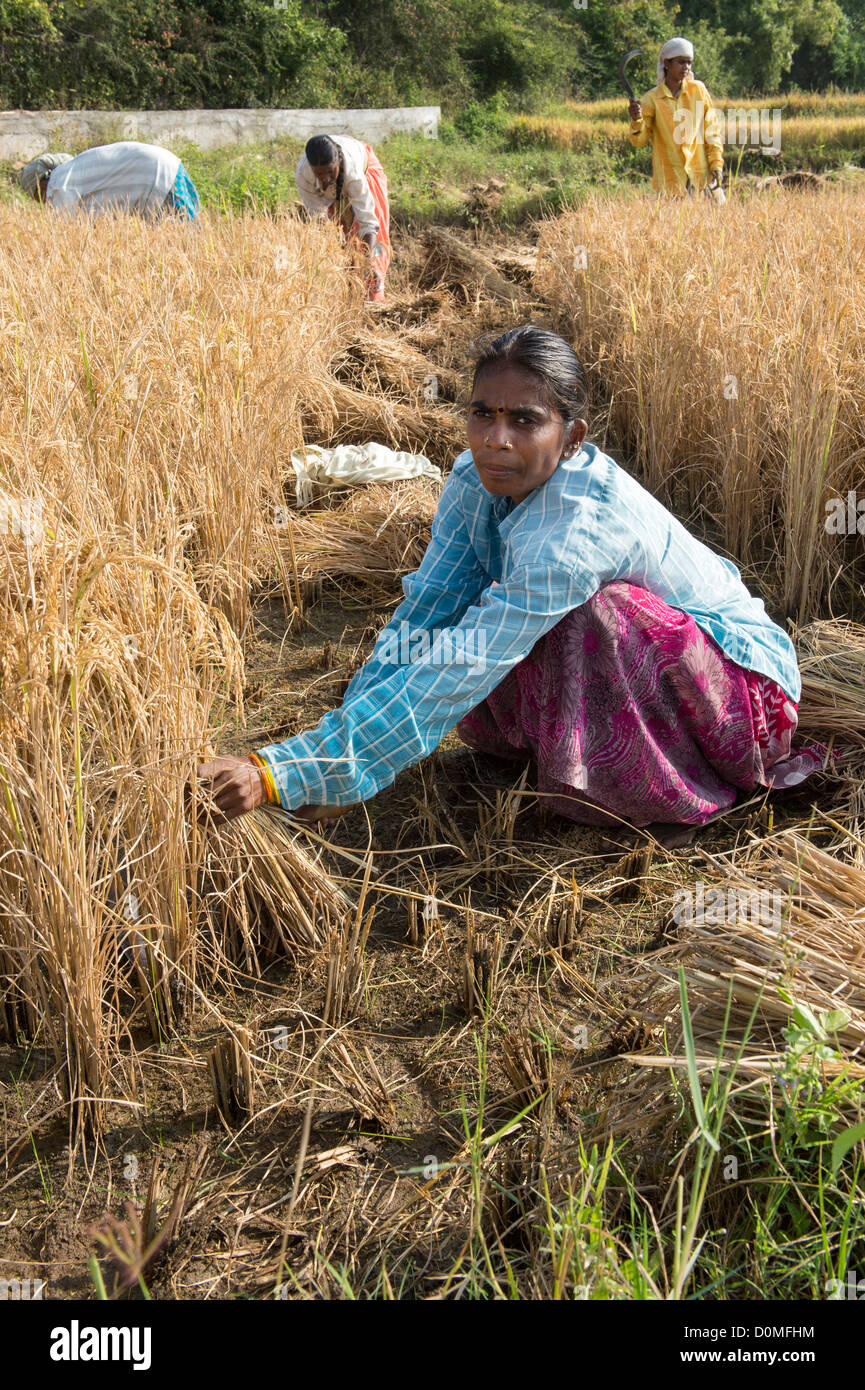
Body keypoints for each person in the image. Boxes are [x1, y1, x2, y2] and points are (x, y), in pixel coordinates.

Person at [198, 325, 823, 846]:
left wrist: (286, 771)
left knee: (592, 616)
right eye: (483, 414)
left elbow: (470, 659)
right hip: (659, 676)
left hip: (741, 699)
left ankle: (660, 797)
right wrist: (338, 769)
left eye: (525, 420)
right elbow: (426, 616)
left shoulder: (576, 533)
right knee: (471, 610)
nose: (497, 439)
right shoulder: (473, 478)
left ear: (572, 437)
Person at [295, 134, 390, 302]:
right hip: (334, 188)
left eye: (330, 172)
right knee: (343, 239)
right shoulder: (304, 174)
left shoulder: (354, 173)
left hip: (366, 169)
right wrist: (342, 254)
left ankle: (375, 299)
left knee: (374, 241)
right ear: (311, 168)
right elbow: (321, 221)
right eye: (320, 174)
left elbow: (368, 223)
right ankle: (350, 293)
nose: (325, 178)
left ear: (338, 160)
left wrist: (366, 264)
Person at [628, 38, 724, 198]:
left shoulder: (698, 91)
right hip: (670, 184)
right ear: (666, 63)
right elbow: (639, 141)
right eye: (681, 62)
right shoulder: (652, 99)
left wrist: (716, 164)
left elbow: (712, 131)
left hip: (700, 179)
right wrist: (636, 120)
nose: (686, 67)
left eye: (689, 62)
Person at [18, 142, 200, 221]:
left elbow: (69, 237)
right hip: (167, 164)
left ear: (40, 183)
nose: (43, 202)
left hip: (155, 177)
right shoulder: (74, 169)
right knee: (186, 238)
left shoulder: (58, 185)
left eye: (36, 196)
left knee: (182, 246)